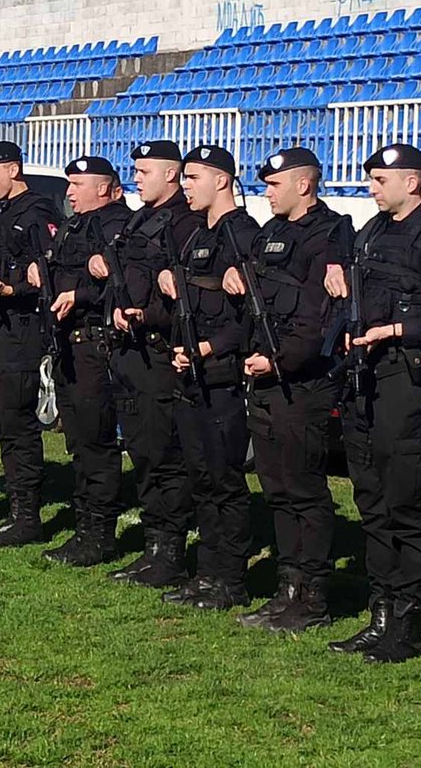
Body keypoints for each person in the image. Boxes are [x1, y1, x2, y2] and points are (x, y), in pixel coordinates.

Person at [326, 143, 421, 663]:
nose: (371, 188)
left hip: (408, 380)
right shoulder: (373, 229)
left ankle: (407, 620)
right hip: (367, 379)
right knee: (372, 500)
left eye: (380, 179)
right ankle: (380, 612)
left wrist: (398, 328)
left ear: (412, 181)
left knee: (404, 503)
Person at [225, 147, 346, 632]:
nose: (267, 192)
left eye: (275, 185)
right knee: (276, 489)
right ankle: (288, 588)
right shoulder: (270, 233)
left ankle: (312, 596)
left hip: (300, 383)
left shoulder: (331, 232)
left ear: (303, 184)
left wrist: (279, 361)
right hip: (265, 380)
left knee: (303, 489)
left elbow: (317, 314)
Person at [156, 144, 258, 610]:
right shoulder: (197, 234)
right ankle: (208, 572)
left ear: (220, 180)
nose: (186, 186)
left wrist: (208, 348)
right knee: (201, 477)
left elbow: (251, 317)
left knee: (224, 480)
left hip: (221, 376)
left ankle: (230, 578)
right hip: (189, 372)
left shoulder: (242, 234)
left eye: (193, 177)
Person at [103, 141, 202, 588]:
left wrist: (149, 315)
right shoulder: (139, 219)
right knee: (142, 452)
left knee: (164, 456)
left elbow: (186, 297)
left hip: (160, 352)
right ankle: (153, 544)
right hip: (129, 349)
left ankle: (170, 552)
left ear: (171, 175)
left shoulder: (185, 222)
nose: (137, 178)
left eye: (144, 171)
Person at [35, 156, 133, 566]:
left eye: (78, 184)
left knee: (96, 445)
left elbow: (122, 280)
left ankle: (99, 535)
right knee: (79, 444)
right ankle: (85, 528)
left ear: (106, 187)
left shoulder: (116, 224)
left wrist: (82, 295)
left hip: (95, 344)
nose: (70, 191)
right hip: (68, 345)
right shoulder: (76, 224)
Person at [0, 141, 61, 547]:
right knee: (4, 424)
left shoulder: (37, 211)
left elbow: (48, 272)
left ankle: (26, 517)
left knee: (17, 426)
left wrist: (14, 287)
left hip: (21, 331)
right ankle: (17, 512)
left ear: (13, 169)